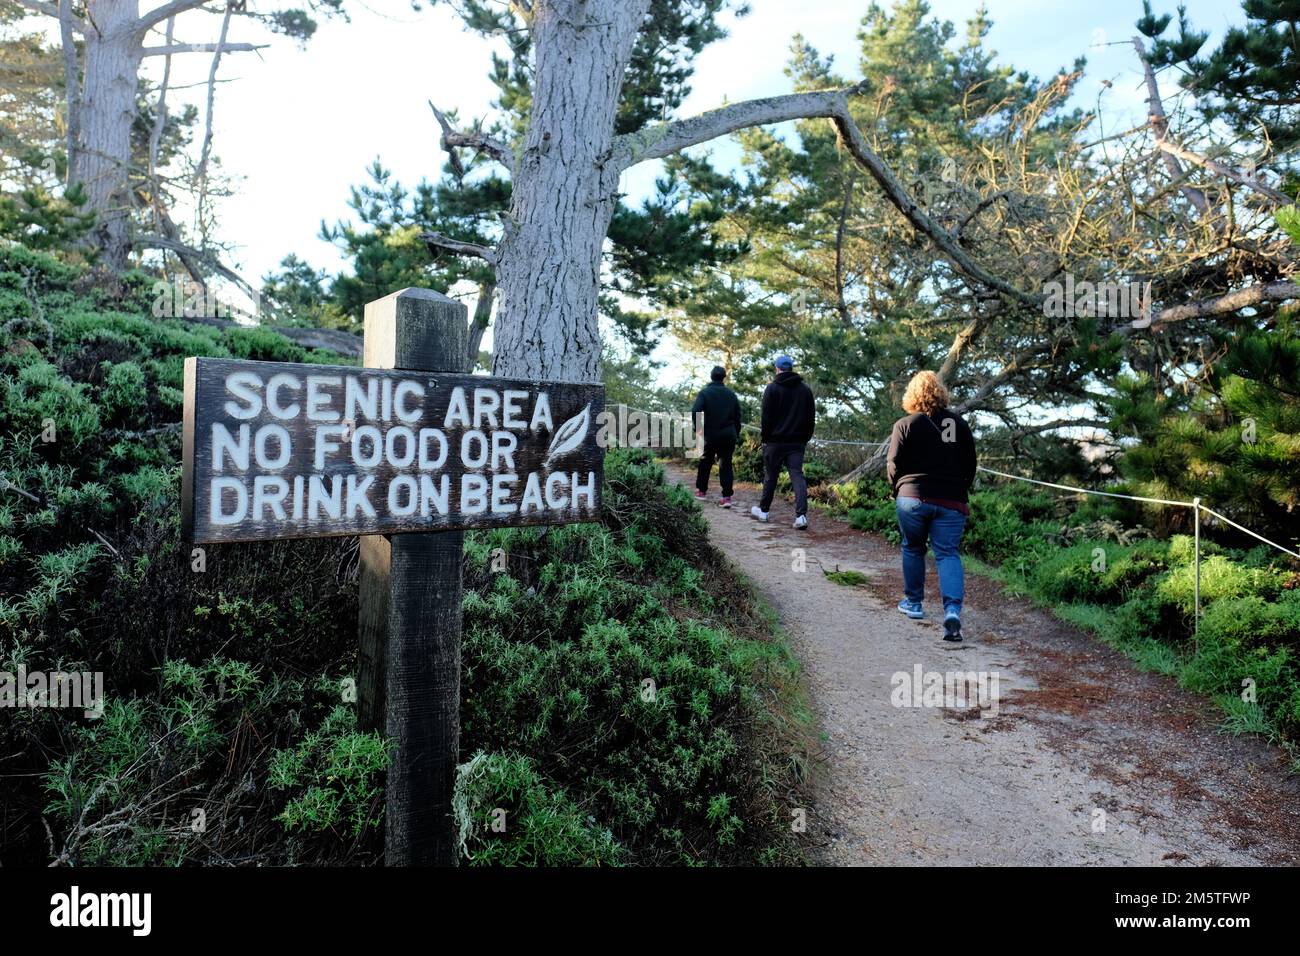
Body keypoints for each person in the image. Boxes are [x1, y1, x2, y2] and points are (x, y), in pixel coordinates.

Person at [887, 370, 977, 642]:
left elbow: (893, 464)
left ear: (911, 394)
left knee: (913, 547)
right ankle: (952, 612)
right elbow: (970, 465)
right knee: (948, 553)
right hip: (951, 500)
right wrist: (960, 489)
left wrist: (896, 490)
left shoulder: (905, 424)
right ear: (941, 392)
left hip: (912, 497)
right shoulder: (958, 424)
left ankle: (914, 604)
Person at [751, 354, 815, 529]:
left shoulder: (772, 388)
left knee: (771, 476)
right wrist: (805, 438)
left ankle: (763, 512)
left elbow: (766, 418)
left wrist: (765, 439)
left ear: (777, 368)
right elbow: (811, 419)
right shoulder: (805, 390)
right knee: (797, 475)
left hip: (774, 442)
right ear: (791, 368)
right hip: (797, 443)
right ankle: (801, 516)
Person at [691, 365, 743, 507]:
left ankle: (701, 491)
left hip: (709, 434)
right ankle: (726, 497)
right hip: (728, 435)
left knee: (705, 461)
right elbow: (738, 416)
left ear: (711, 376)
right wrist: (736, 433)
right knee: (725, 464)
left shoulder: (705, 393)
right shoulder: (731, 395)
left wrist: (699, 431)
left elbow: (696, 411)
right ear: (724, 377)